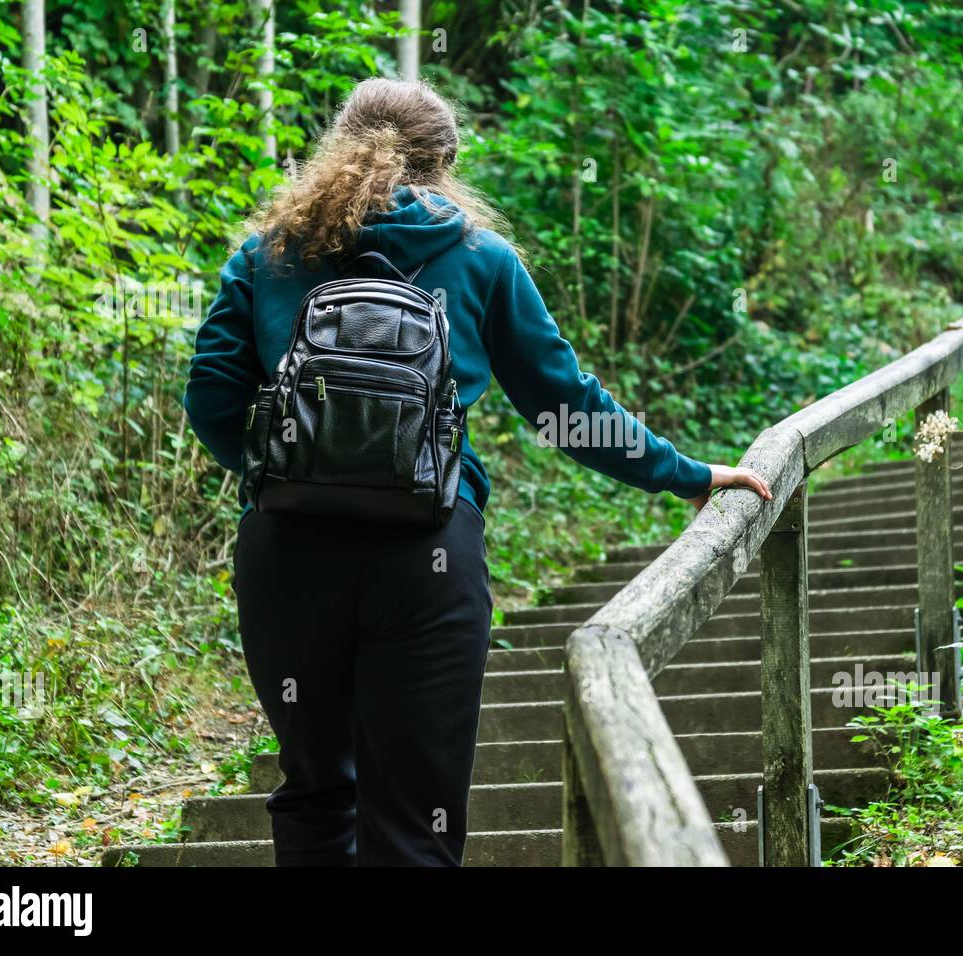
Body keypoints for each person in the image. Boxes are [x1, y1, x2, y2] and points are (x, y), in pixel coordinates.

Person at [183, 77, 772, 867]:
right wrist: (684, 473)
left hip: (287, 553)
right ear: (445, 162)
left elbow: (212, 398)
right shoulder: (478, 256)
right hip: (427, 550)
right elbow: (564, 405)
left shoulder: (268, 254)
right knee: (416, 821)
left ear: (338, 142)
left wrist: (287, 476)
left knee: (315, 797)